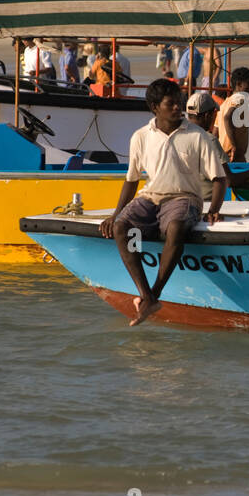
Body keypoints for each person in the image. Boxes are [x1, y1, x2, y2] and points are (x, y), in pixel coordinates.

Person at [99, 78, 227, 326]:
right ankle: (146, 294)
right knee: (122, 228)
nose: (178, 108)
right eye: (171, 104)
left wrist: (214, 210)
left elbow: (220, 178)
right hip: (150, 197)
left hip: (185, 197)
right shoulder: (141, 137)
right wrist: (116, 214)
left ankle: (154, 294)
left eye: (179, 103)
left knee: (176, 227)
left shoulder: (198, 136)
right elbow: (132, 180)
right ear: (155, 107)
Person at [187, 91, 249, 200]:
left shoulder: (179, 135)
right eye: (214, 114)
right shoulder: (208, 140)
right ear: (207, 116)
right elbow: (229, 181)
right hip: (205, 204)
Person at [217, 67, 249, 161]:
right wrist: (234, 146)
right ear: (239, 85)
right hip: (234, 153)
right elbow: (227, 117)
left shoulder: (224, 104)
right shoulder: (241, 97)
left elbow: (215, 132)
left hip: (224, 154)